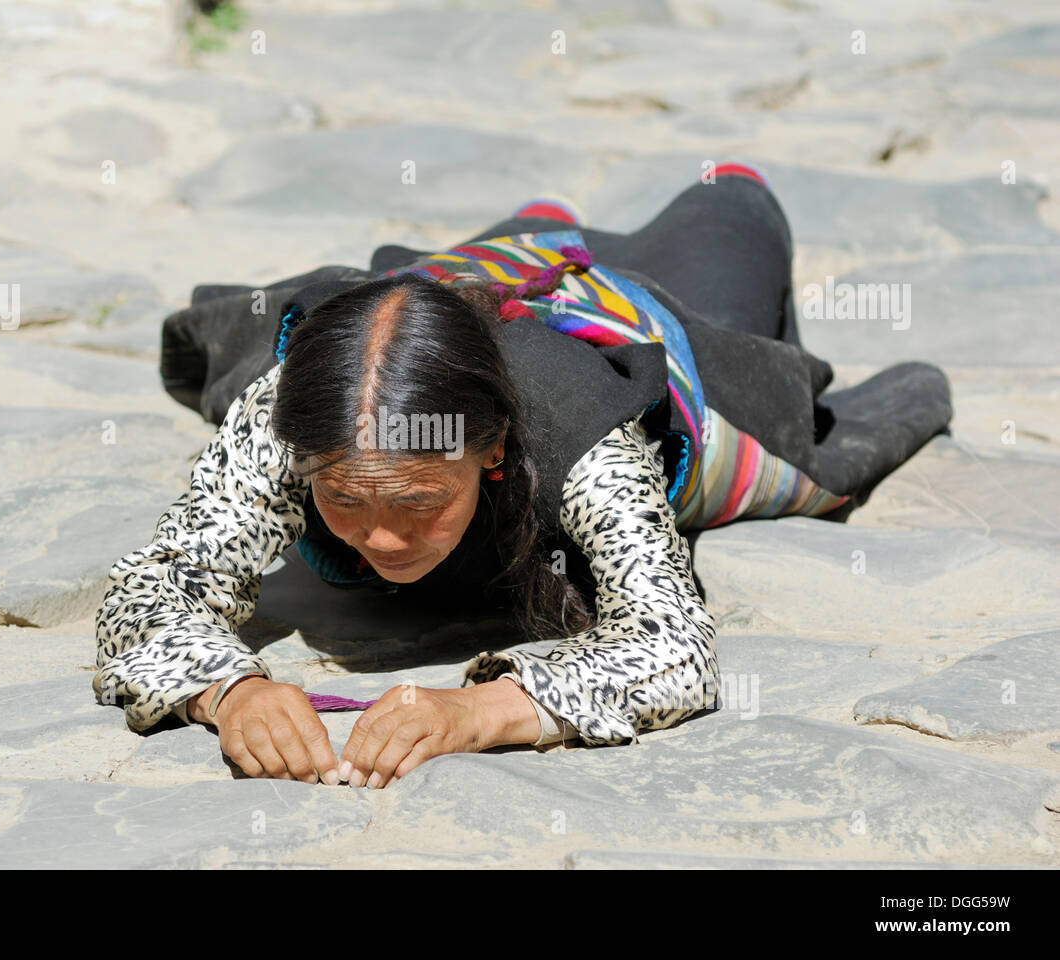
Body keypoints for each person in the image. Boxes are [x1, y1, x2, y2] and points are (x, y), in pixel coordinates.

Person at [94, 163, 953, 789]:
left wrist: (482, 714)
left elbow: (675, 649)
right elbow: (152, 586)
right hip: (463, 295)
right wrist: (227, 690)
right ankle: (528, 233)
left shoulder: (584, 437)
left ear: (494, 451)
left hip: (636, 318)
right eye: (344, 500)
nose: (382, 538)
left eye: (419, 502)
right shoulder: (295, 411)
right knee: (450, 282)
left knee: (729, 206)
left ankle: (622, 220)